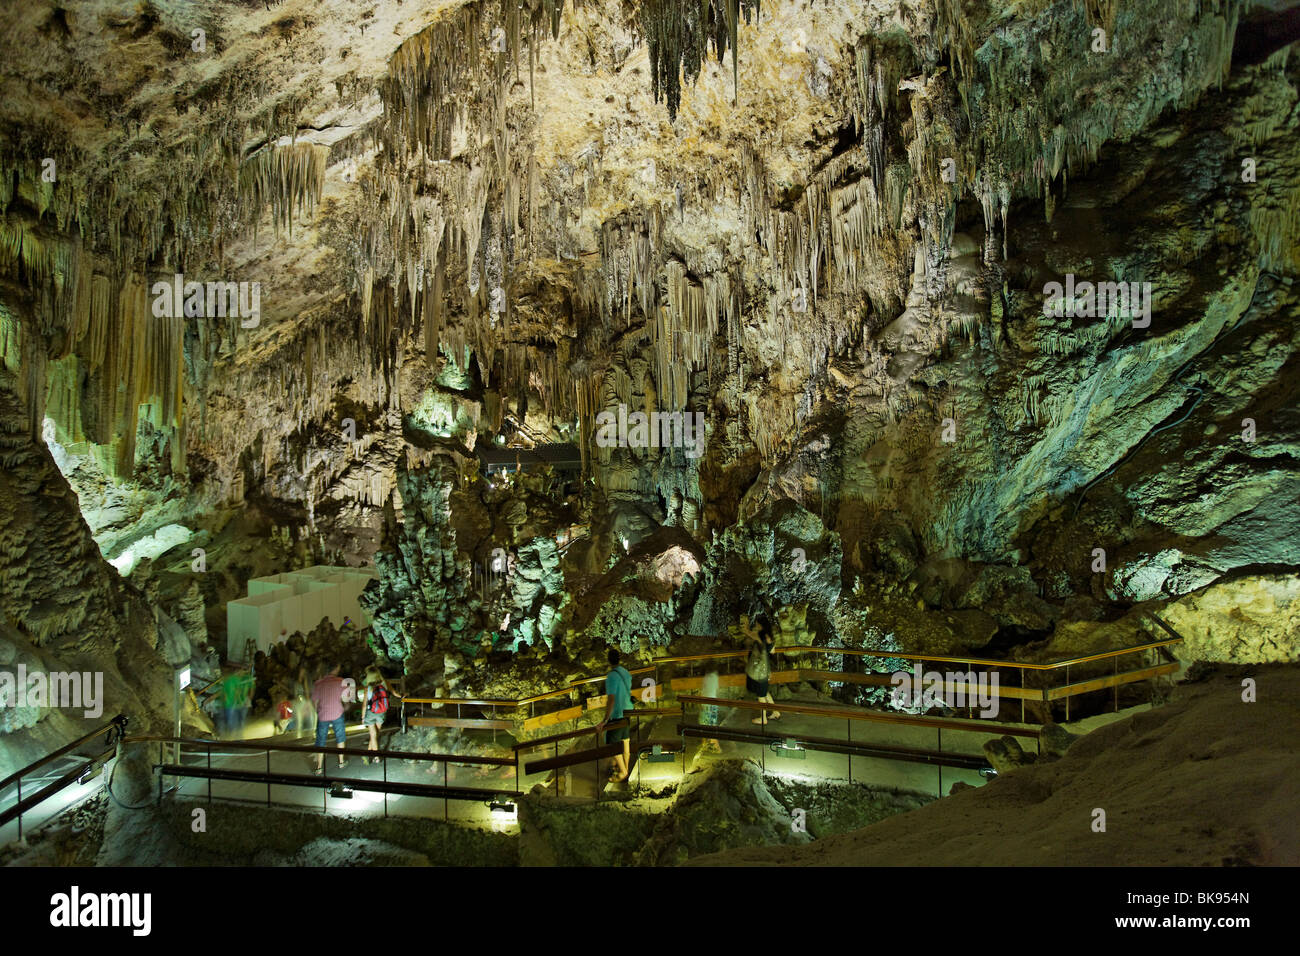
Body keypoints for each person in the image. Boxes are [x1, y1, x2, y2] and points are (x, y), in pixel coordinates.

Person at [597, 648, 635, 783]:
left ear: (608, 660)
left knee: (613, 745)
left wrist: (605, 719)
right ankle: (626, 771)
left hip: (617, 714)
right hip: (628, 711)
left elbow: (611, 699)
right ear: (619, 659)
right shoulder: (625, 672)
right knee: (625, 742)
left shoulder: (612, 676)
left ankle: (623, 772)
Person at [311, 663, 349, 774]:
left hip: (323, 714)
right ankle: (341, 761)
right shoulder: (341, 682)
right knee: (340, 736)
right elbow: (346, 698)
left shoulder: (319, 683)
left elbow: (314, 701)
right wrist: (345, 706)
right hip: (337, 712)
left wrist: (318, 711)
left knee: (321, 740)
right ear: (336, 669)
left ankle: (319, 767)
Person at [360, 665, 401, 764]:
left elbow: (364, 705)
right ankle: (368, 753)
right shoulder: (385, 683)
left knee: (373, 735)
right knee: (375, 734)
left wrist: (362, 717)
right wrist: (402, 695)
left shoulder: (368, 688)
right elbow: (395, 693)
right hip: (382, 712)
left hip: (371, 713)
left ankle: (377, 757)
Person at [745, 617, 780, 725]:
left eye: (756, 624)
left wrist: (745, 623)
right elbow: (773, 652)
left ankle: (763, 718)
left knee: (761, 696)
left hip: (758, 671)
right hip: (765, 670)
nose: (755, 626)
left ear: (761, 625)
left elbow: (747, 632)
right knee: (765, 692)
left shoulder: (761, 636)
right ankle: (775, 711)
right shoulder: (771, 638)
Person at [700, 668, 723, 754]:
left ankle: (715, 747)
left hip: (707, 705)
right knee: (711, 725)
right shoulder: (715, 677)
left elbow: (705, 691)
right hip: (713, 704)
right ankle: (707, 744)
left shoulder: (707, 678)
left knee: (706, 725)